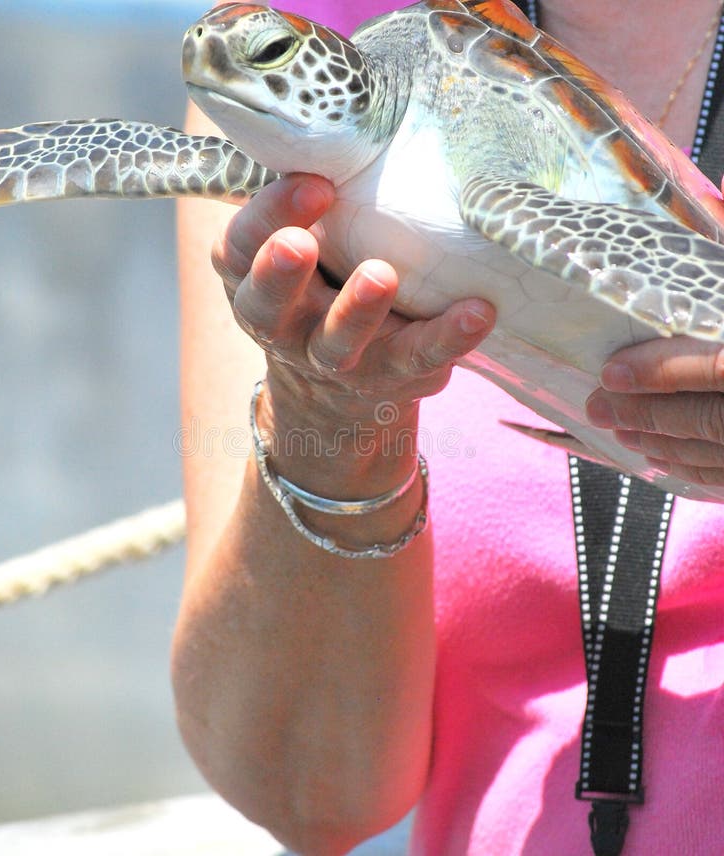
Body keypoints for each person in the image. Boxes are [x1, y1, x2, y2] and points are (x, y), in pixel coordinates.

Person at [171, 1, 724, 853]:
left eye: (271, 53)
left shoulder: (502, 167)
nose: (220, 59)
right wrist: (327, 414)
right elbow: (314, 800)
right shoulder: (295, 90)